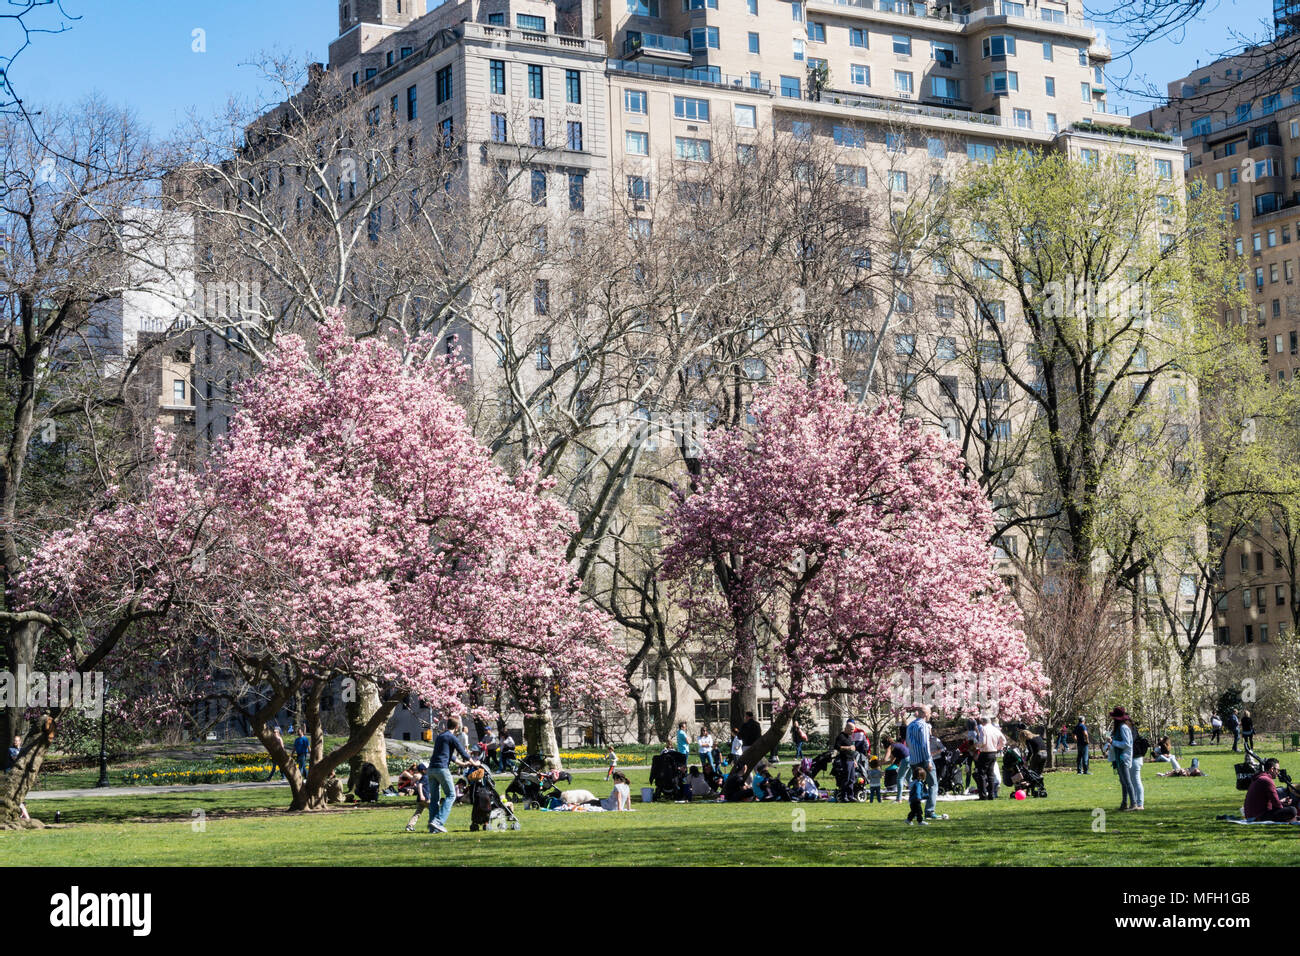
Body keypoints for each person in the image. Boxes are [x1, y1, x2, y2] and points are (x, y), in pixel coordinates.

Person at [425, 716, 478, 833]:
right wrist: (474, 763)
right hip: (441, 769)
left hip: (431, 770)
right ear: (457, 727)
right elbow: (463, 752)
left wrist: (463, 764)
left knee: (434, 799)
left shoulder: (440, 737)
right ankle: (438, 822)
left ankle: (432, 827)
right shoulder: (452, 737)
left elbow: (449, 755)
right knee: (451, 795)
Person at [905, 706, 940, 819]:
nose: (930, 715)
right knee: (933, 784)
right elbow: (925, 744)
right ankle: (929, 811)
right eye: (929, 713)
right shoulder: (923, 725)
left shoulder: (910, 725)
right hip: (924, 760)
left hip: (914, 760)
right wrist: (929, 761)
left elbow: (909, 742)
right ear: (925, 714)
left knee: (916, 787)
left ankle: (915, 811)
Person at [1108, 706, 1142, 812]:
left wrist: (1113, 742)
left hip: (1124, 757)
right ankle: (1124, 803)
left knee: (1127, 781)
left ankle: (1134, 803)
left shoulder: (1123, 728)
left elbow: (1127, 744)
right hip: (1119, 757)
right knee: (1123, 781)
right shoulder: (1120, 728)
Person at [1243, 758, 1297, 822]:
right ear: (1272, 769)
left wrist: (1281, 802)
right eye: (1277, 770)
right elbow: (1277, 805)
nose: (1278, 773)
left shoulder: (1259, 778)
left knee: (1289, 811)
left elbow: (1268, 802)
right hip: (1258, 817)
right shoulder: (1267, 780)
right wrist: (1284, 810)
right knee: (1292, 810)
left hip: (1251, 815)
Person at [974, 716, 1004, 800]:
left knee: (981, 774)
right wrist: (998, 747)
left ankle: (983, 795)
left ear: (983, 722)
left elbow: (982, 742)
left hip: (984, 753)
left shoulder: (983, 729)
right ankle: (991, 794)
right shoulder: (995, 729)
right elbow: (1003, 740)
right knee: (990, 774)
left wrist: (977, 745)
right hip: (993, 753)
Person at [833, 720, 857, 801]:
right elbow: (836, 747)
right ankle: (844, 796)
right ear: (846, 728)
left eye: (853, 729)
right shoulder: (841, 736)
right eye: (851, 729)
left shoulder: (849, 737)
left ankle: (851, 796)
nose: (853, 731)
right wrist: (848, 748)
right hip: (845, 760)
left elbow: (851, 751)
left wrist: (854, 761)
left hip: (851, 760)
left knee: (852, 779)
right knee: (846, 779)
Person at [881, 735, 909, 801]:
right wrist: (881, 763)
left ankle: (899, 799)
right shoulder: (895, 745)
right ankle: (913, 795)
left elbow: (885, 759)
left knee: (899, 779)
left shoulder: (890, 747)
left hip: (905, 760)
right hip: (911, 759)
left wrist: (878, 762)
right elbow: (891, 761)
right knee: (909, 778)